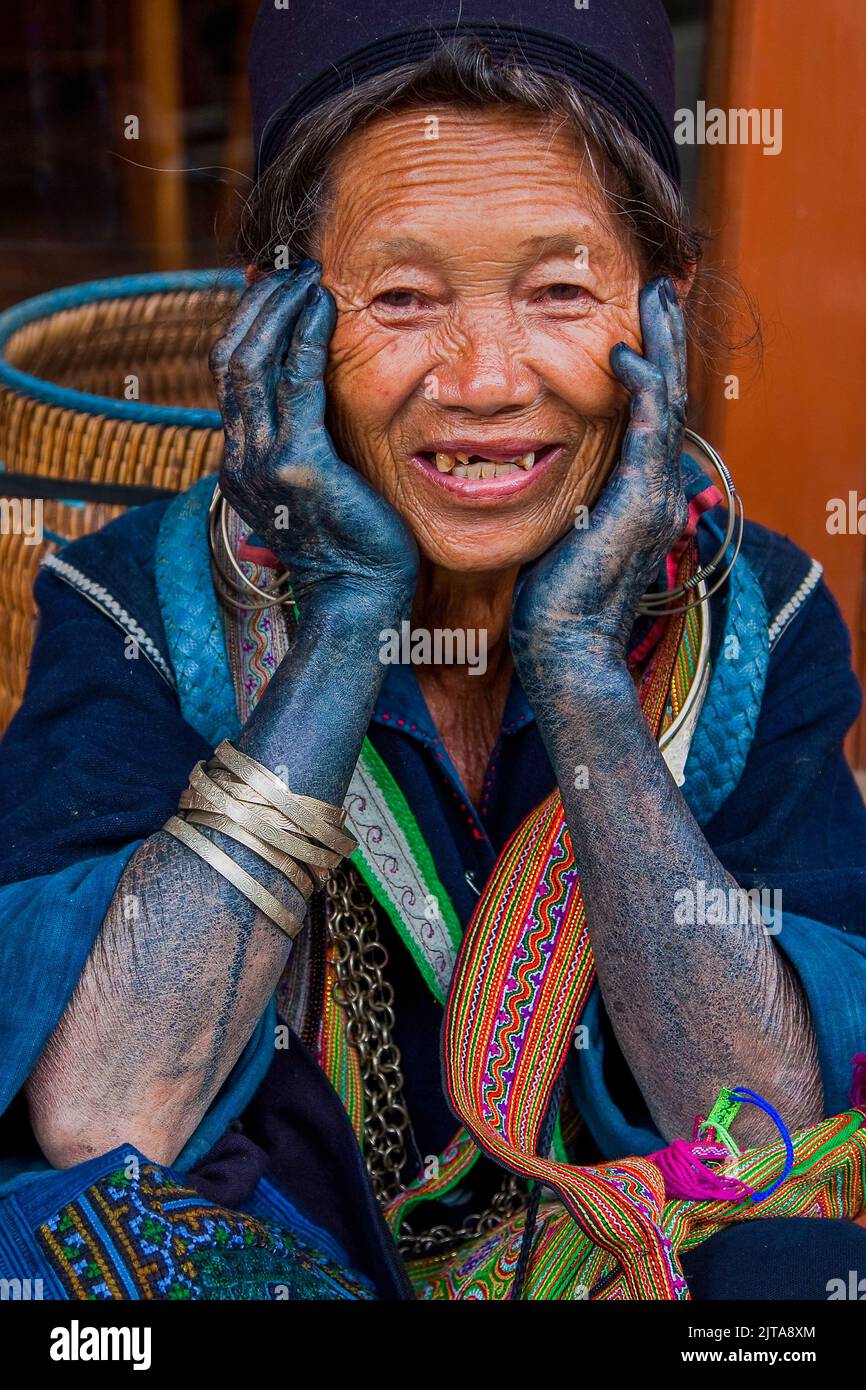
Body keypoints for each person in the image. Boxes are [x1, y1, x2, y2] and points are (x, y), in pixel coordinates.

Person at [1, 0, 865, 1301]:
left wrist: (578, 669)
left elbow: (758, 1130)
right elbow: (102, 1113)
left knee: (805, 1286)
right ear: (276, 331)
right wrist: (345, 622)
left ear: (661, 316)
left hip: (626, 1271)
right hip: (274, 1273)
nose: (479, 378)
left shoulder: (756, 612)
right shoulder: (135, 602)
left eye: (561, 291)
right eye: (400, 297)